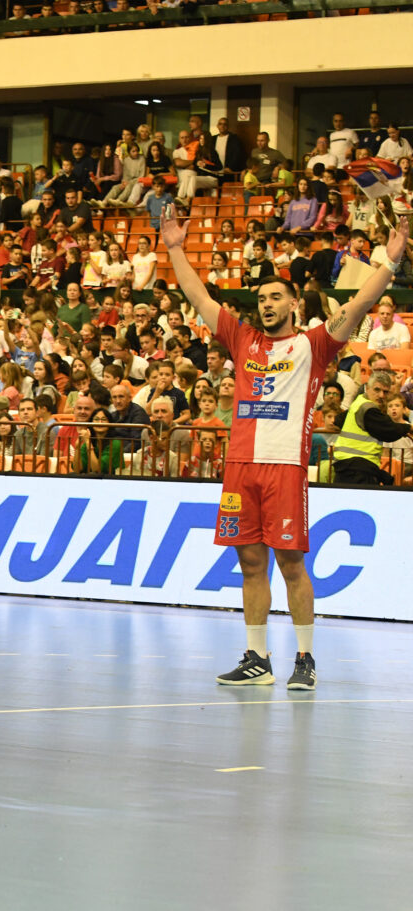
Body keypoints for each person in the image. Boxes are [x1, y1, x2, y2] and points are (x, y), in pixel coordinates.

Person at [161, 206, 408, 692]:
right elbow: (198, 294)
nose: (267, 303)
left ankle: (305, 659)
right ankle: (257, 657)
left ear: (294, 303)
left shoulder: (314, 345)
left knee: (292, 564)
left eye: (276, 296)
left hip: (285, 467)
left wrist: (391, 263)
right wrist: (173, 247)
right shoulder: (242, 338)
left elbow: (357, 305)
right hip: (239, 468)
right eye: (262, 298)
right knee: (249, 563)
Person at [332, 370, 413, 485]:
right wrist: (408, 428)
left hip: (347, 467)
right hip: (357, 469)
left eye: (385, 392)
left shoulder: (359, 402)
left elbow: (338, 420)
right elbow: (388, 430)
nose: (381, 395)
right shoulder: (368, 409)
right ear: (367, 388)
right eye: (377, 390)